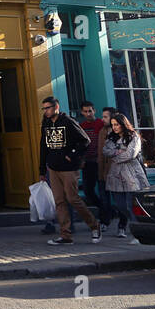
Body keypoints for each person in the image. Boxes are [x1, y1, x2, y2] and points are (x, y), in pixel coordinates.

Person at [39, 96, 100, 245]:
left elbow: (85, 140)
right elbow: (43, 146)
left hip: (69, 168)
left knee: (73, 198)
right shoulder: (46, 123)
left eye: (48, 108)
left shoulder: (68, 122)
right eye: (44, 108)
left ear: (56, 108)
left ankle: (94, 226)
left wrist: (71, 155)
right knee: (59, 201)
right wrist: (41, 170)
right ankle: (65, 235)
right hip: (53, 167)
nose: (46, 111)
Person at [102, 113, 146, 242]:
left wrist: (116, 156)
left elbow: (131, 154)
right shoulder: (111, 138)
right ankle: (137, 227)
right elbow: (105, 151)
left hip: (132, 173)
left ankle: (138, 233)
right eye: (113, 125)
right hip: (116, 175)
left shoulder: (134, 137)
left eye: (117, 124)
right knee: (120, 205)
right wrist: (117, 152)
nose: (114, 127)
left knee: (130, 205)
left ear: (123, 124)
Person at [78, 101, 110, 228]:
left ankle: (105, 220)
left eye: (90, 111)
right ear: (82, 112)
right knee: (88, 191)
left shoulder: (101, 124)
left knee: (103, 191)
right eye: (85, 111)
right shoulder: (82, 126)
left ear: (94, 111)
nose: (88, 114)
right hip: (87, 163)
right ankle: (108, 211)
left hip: (99, 162)